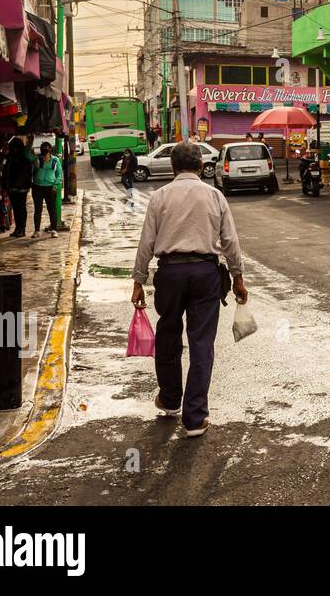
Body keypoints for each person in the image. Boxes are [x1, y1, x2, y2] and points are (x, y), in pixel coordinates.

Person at [130, 142, 247, 438]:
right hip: (205, 273)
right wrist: (238, 277)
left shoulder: (160, 196)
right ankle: (195, 417)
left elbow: (146, 242)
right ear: (198, 166)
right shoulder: (214, 195)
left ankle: (170, 400)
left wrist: (138, 281)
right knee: (201, 344)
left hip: (169, 273)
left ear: (172, 167)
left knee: (168, 336)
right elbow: (230, 242)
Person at [31, 140, 63, 236]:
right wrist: (30, 142)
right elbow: (29, 159)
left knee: (52, 209)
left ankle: (54, 230)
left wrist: (55, 185)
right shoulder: (37, 159)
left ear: (50, 150)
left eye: (46, 148)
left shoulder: (55, 160)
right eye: (42, 148)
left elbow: (59, 174)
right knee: (38, 209)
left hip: (50, 188)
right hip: (37, 187)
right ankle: (36, 231)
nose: (44, 151)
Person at [5, 137, 33, 238]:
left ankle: (22, 229)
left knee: (21, 208)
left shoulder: (25, 160)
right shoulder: (10, 158)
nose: (14, 150)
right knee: (16, 209)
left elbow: (27, 175)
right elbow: (7, 172)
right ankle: (18, 228)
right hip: (13, 188)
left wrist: (20, 185)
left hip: (21, 188)